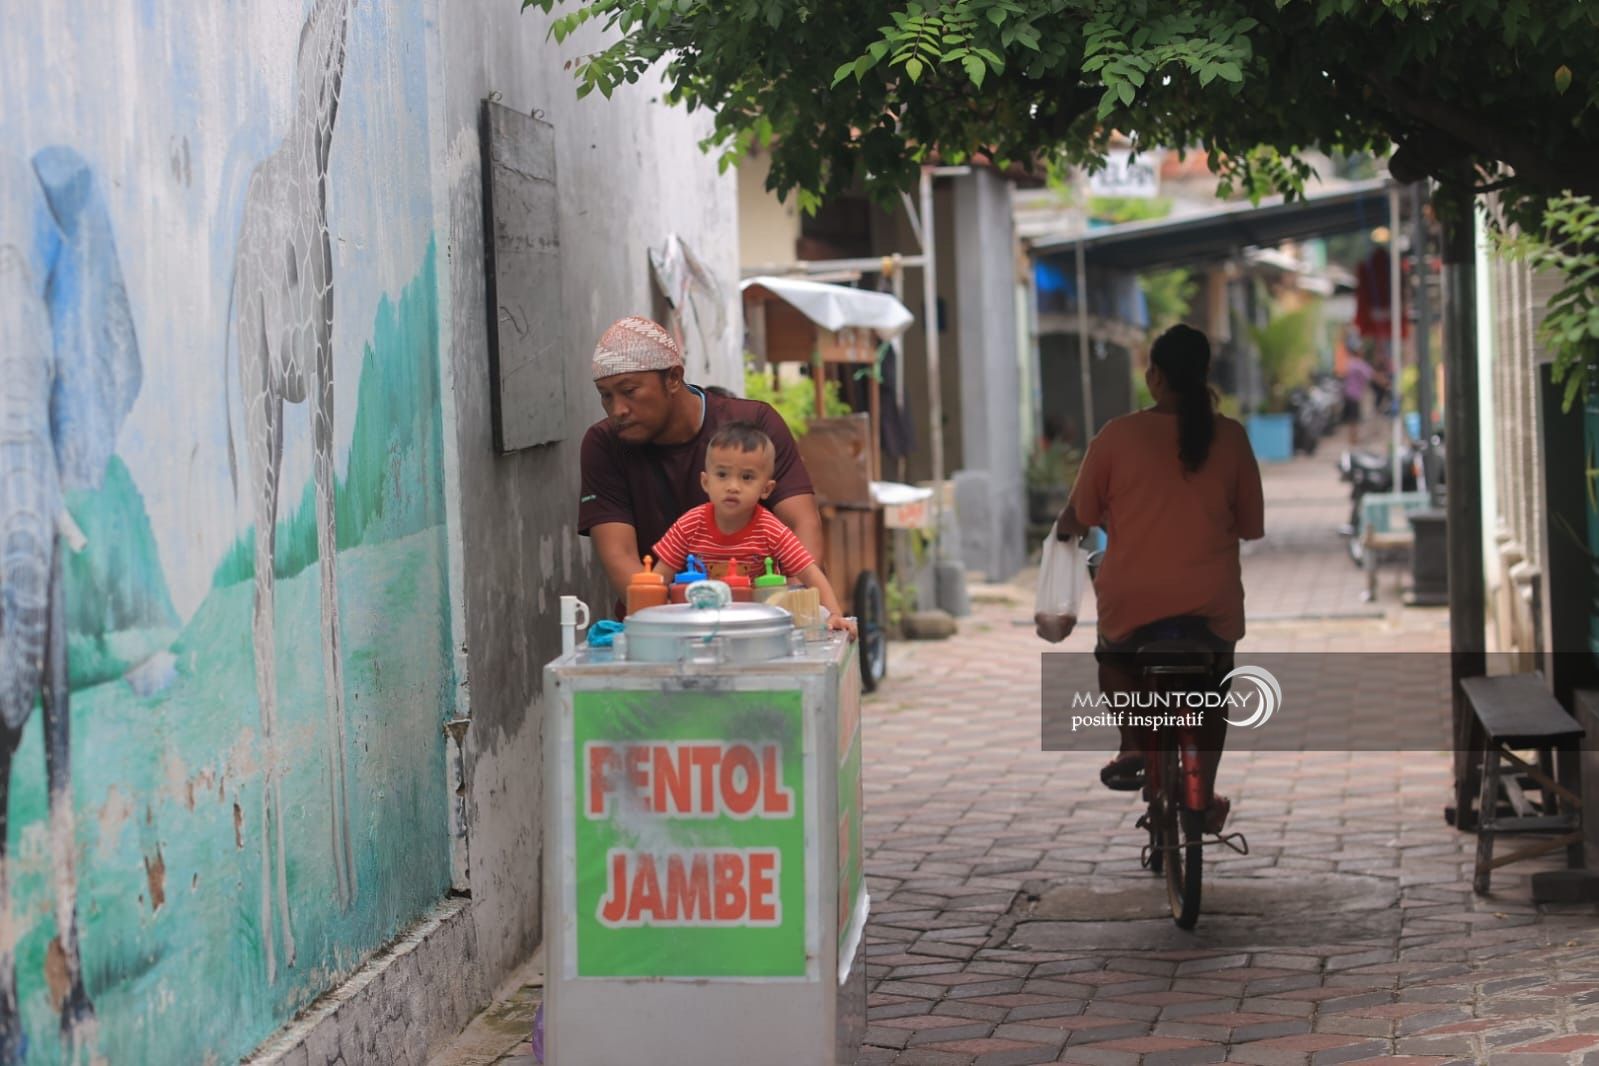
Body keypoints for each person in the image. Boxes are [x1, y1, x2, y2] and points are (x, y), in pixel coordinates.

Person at [1054, 324, 1265, 833]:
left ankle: (1132, 742)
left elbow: (1078, 515)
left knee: (1113, 657)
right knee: (1214, 688)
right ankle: (1204, 791)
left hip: (1134, 602)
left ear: (1154, 377)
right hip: (1210, 605)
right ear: (1205, 375)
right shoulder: (1231, 436)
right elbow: (1253, 527)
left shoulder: (1117, 436)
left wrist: (1067, 535)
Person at [579, 315, 825, 610]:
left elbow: (803, 523)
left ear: (672, 378)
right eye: (606, 396)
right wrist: (677, 621)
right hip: (662, 624)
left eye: (629, 391)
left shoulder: (754, 425)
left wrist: (788, 609)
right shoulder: (604, 445)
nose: (617, 409)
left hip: (761, 619)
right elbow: (620, 555)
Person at [653, 422, 856, 635]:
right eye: (722, 475)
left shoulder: (770, 529)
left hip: (758, 627)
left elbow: (811, 574)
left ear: (766, 489)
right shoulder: (689, 524)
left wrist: (834, 614)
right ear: (705, 482)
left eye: (747, 477)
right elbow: (658, 579)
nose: (733, 486)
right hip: (701, 626)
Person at [1342, 347, 1375, 445]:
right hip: (1354, 394)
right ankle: (1353, 438)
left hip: (1349, 393)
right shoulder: (1359, 364)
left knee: (1352, 418)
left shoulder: (1351, 363)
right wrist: (1384, 382)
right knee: (1354, 417)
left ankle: (1352, 437)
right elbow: (1370, 374)